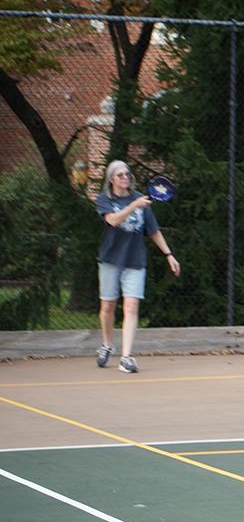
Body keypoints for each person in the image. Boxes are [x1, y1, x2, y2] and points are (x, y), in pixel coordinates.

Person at [95, 160, 180, 373]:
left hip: (135, 260)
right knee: (108, 307)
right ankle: (107, 345)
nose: (125, 177)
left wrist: (169, 254)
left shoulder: (140, 200)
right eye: (120, 174)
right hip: (110, 259)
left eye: (127, 174)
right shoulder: (105, 199)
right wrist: (133, 206)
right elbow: (112, 221)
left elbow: (153, 230)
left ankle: (126, 357)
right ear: (112, 179)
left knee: (132, 307)